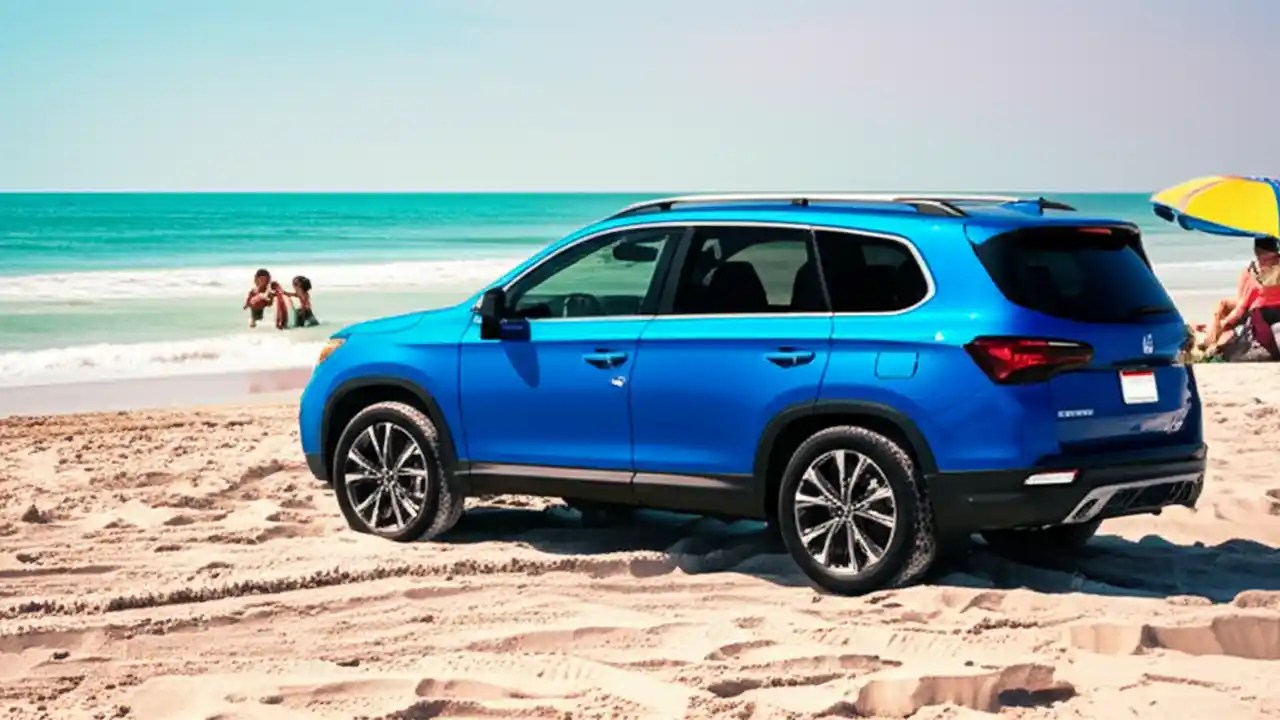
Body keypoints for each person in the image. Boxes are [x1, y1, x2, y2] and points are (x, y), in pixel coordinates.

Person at [1207, 239, 1280, 361]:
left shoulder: (1253, 275)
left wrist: (1220, 327)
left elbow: (1240, 309)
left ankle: (1213, 341)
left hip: (1264, 341)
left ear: (1257, 251)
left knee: (1228, 352)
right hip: (1267, 320)